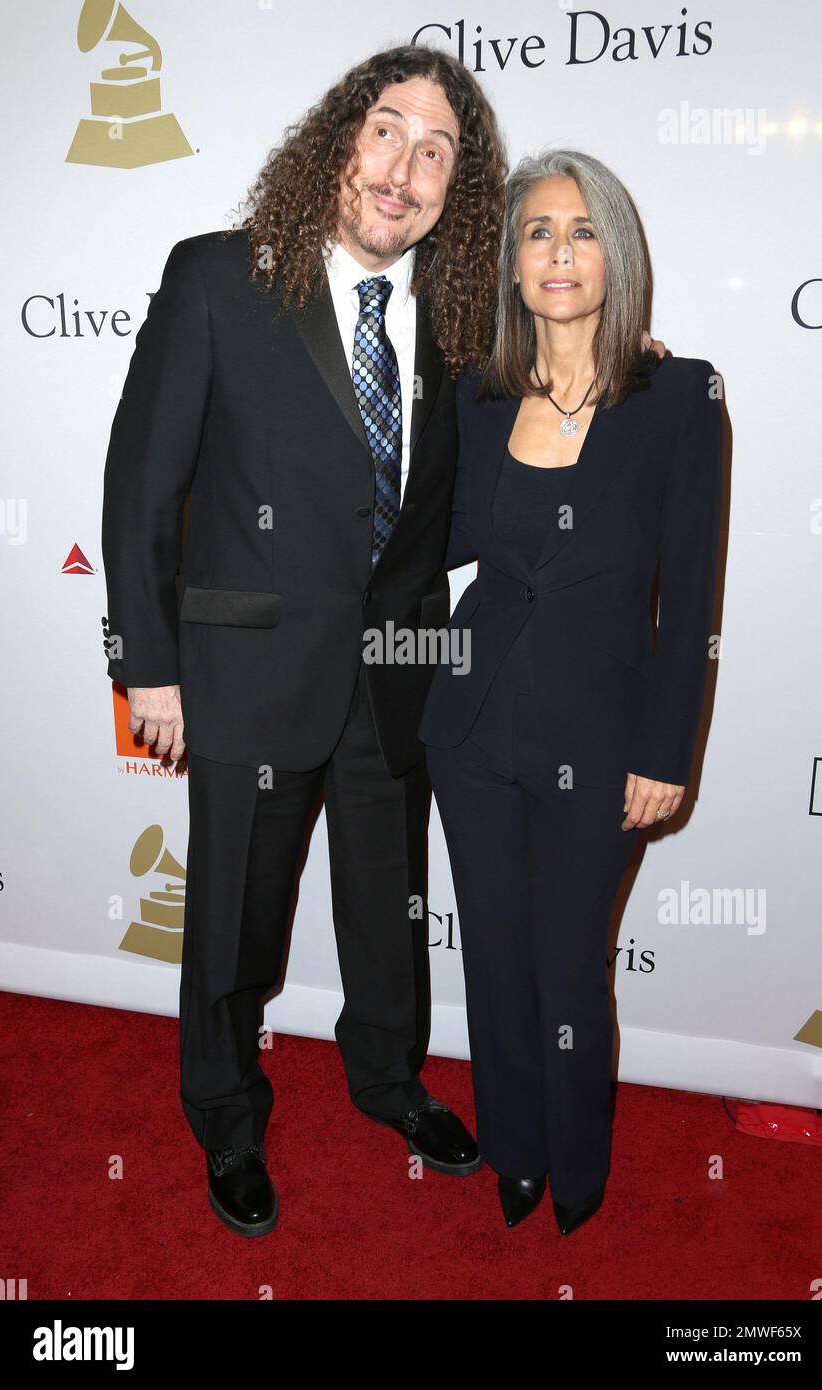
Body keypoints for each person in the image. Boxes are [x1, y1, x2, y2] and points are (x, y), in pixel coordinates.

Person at [100, 45, 509, 1237]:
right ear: (340, 140)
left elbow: (466, 491)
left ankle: (388, 1080)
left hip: (393, 674)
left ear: (453, 189)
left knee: (388, 909)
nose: (405, 168)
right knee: (232, 918)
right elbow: (141, 486)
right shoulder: (223, 279)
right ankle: (226, 1116)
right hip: (244, 670)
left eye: (436, 152)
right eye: (388, 132)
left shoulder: (457, 317)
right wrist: (148, 664)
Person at [419, 150, 724, 1237]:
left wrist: (664, 750)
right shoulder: (474, 393)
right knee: (494, 953)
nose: (558, 252)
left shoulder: (677, 396)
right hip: (469, 722)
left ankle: (577, 1164)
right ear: (509, 264)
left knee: (566, 964)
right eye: (537, 232)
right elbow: (427, 542)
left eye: (582, 230)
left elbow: (689, 599)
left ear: (617, 254)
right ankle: (514, 1150)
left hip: (603, 736)